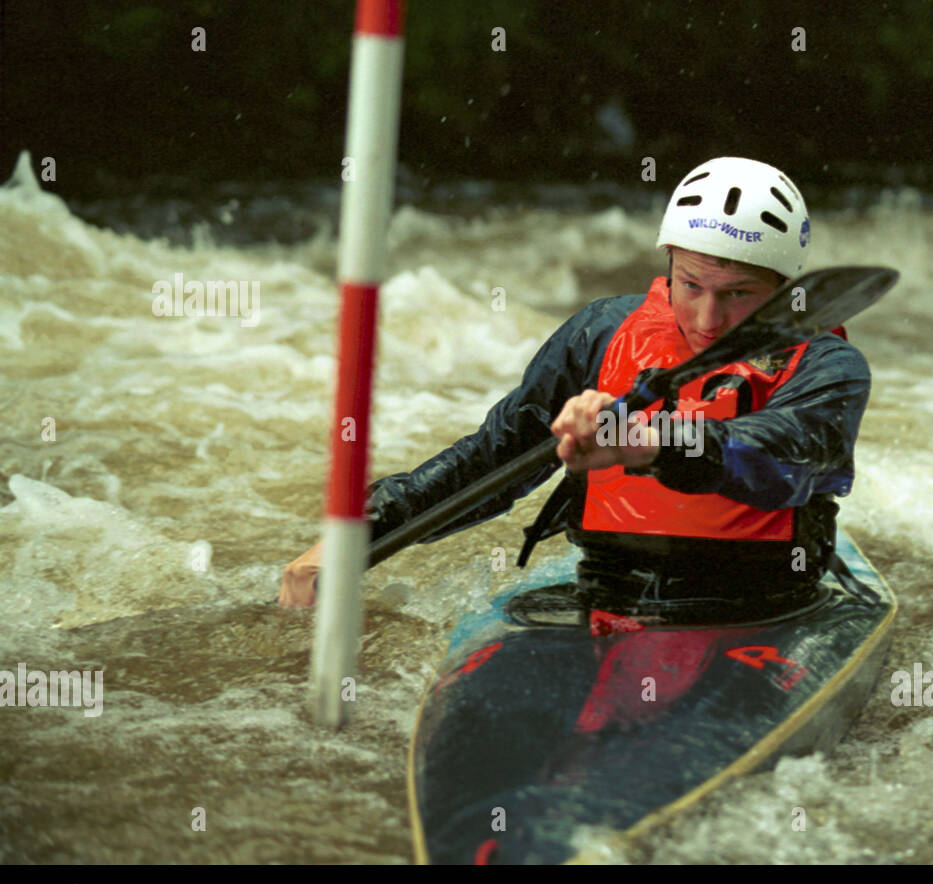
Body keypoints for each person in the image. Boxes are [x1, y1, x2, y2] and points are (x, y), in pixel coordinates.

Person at [278, 156, 873, 622]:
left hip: (764, 602)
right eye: (691, 284)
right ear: (668, 262)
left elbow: (784, 452)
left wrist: (645, 443)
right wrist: (358, 531)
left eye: (739, 293)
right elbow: (496, 458)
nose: (708, 317)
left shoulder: (828, 364)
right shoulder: (601, 332)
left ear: (781, 287)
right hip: (607, 591)